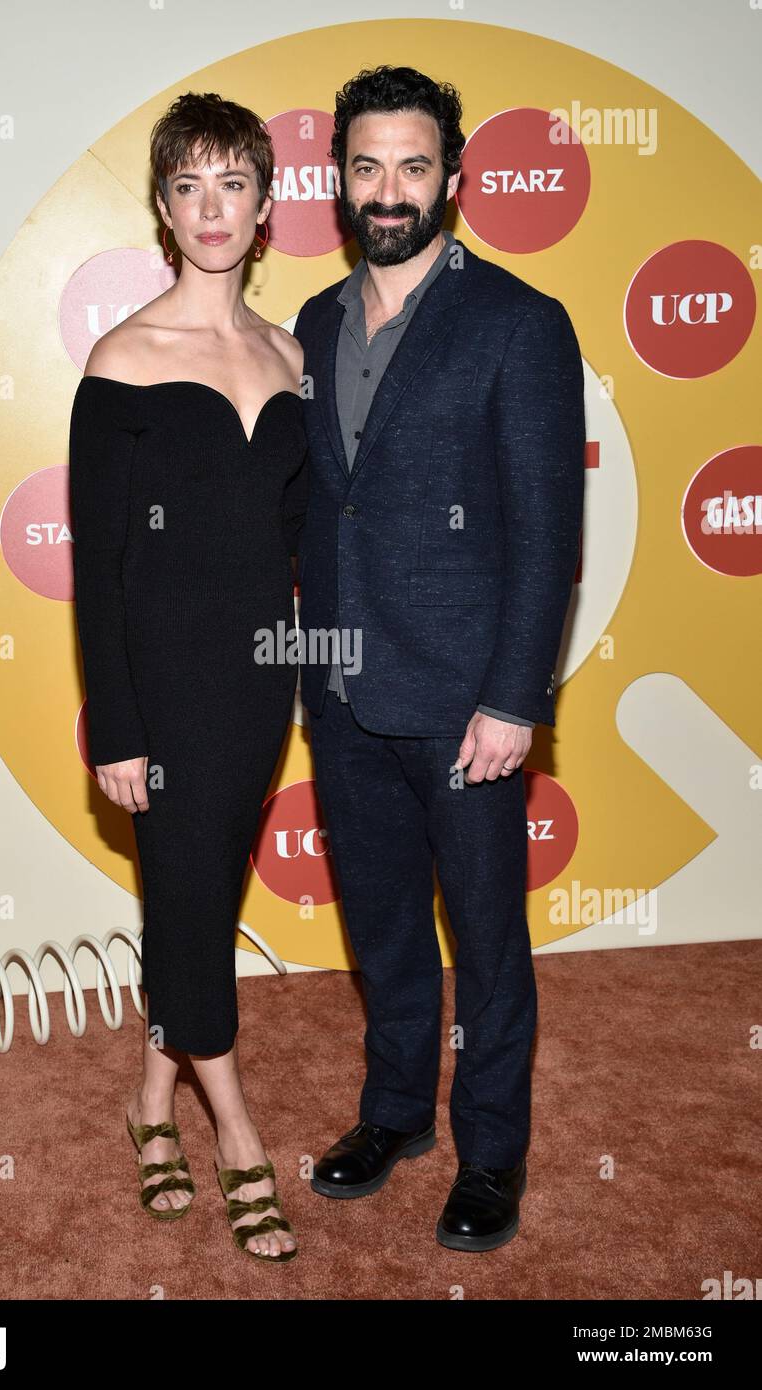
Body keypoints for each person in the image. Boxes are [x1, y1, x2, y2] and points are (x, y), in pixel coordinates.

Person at [293, 65, 585, 1251]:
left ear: (453, 180)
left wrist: (516, 698)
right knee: (383, 930)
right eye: (367, 165)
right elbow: (327, 507)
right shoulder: (314, 321)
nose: (389, 188)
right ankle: (395, 1114)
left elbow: (545, 530)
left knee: (487, 943)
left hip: (469, 703)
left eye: (414, 166)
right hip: (347, 691)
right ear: (339, 181)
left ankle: (493, 1157)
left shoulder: (518, 322)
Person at [68, 92, 308, 1262]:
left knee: (199, 900)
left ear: (265, 208)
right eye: (186, 187)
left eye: (232, 185)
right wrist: (114, 726)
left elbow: (309, 542)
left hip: (261, 684)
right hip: (161, 692)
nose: (211, 210)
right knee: (187, 899)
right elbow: (99, 570)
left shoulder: (290, 356)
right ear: (164, 211)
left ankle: (148, 1101)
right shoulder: (123, 361)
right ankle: (240, 1134)